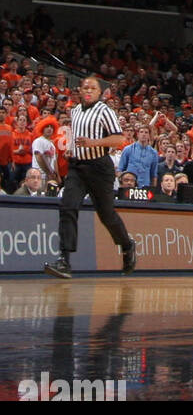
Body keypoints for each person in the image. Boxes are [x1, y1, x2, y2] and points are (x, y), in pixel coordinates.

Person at [43, 76, 136, 279]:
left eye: (92, 88)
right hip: (77, 167)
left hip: (100, 168)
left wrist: (93, 143)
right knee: (67, 207)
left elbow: (119, 139)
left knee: (106, 215)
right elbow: (79, 139)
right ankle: (64, 261)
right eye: (85, 87)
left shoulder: (105, 111)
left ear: (99, 92)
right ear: (80, 90)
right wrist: (72, 149)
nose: (88, 90)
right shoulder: (74, 110)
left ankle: (128, 246)